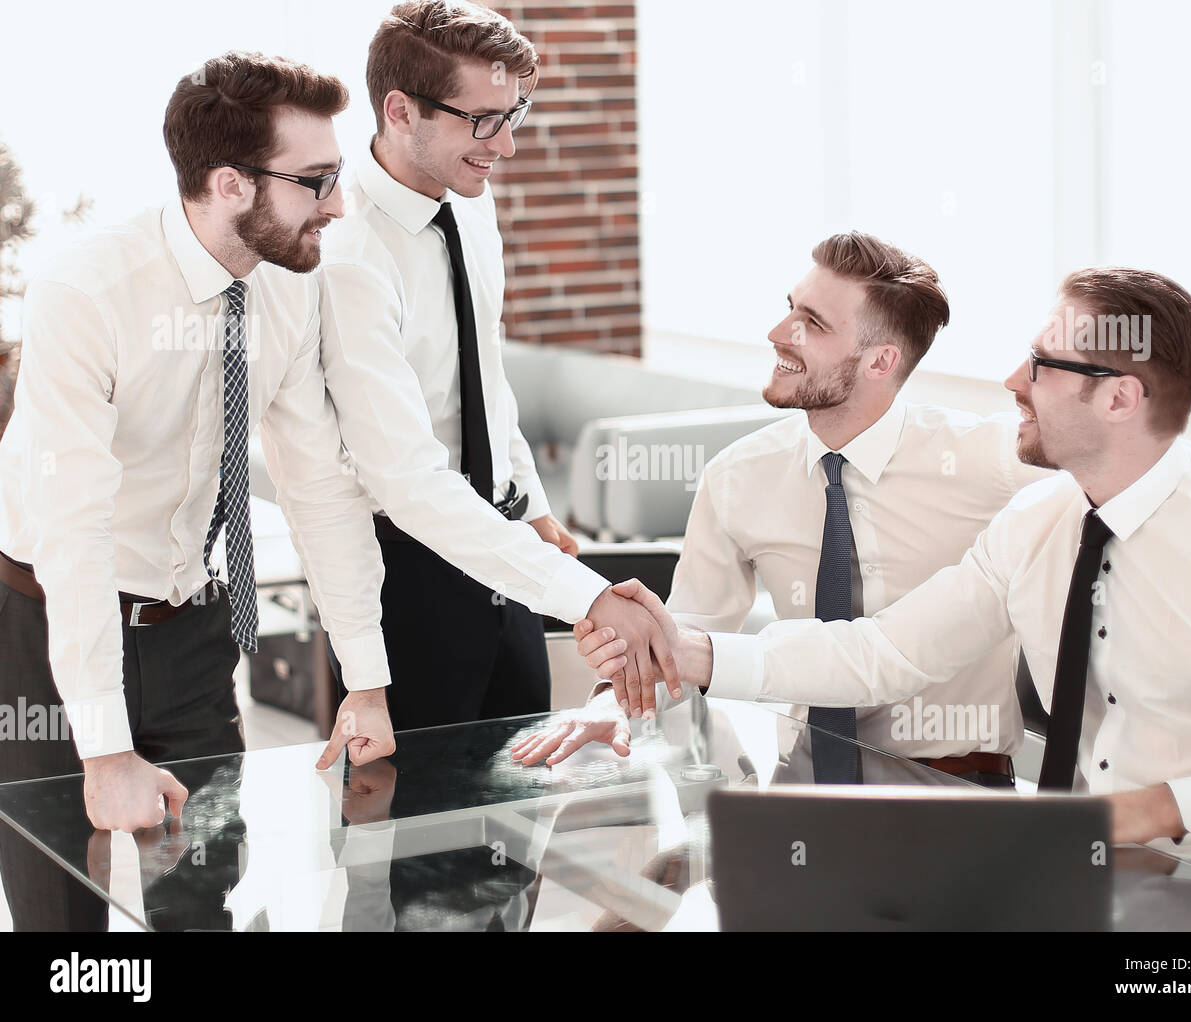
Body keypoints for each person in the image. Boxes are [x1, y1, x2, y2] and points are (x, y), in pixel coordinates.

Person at [578, 267, 1191, 891]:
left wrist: (1152, 808)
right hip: (1099, 872)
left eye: (1044, 365)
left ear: (1118, 399)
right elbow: (886, 654)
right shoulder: (1037, 523)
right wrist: (692, 651)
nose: (1014, 382)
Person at [0, 51, 395, 930]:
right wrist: (103, 751)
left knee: (205, 894)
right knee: (59, 915)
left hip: (189, 625)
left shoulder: (289, 288)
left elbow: (318, 489)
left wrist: (363, 680)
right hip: (42, 623)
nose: (340, 204)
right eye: (318, 181)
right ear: (230, 183)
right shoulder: (85, 290)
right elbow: (74, 528)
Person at [512, 231, 1049, 786]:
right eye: (790, 309)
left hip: (955, 786)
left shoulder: (990, 460)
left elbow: (1120, 472)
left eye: (812, 324)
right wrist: (612, 700)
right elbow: (690, 631)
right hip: (800, 788)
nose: (776, 335)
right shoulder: (738, 476)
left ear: (881, 360)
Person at [318, 0, 674, 731]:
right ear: (400, 110)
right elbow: (410, 482)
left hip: (503, 553)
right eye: (484, 120)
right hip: (406, 579)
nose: (506, 145)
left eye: (515, 113)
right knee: (407, 832)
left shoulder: (471, 203)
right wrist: (584, 593)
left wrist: (536, 510)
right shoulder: (347, 253)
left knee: (515, 814)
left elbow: (484, 377)